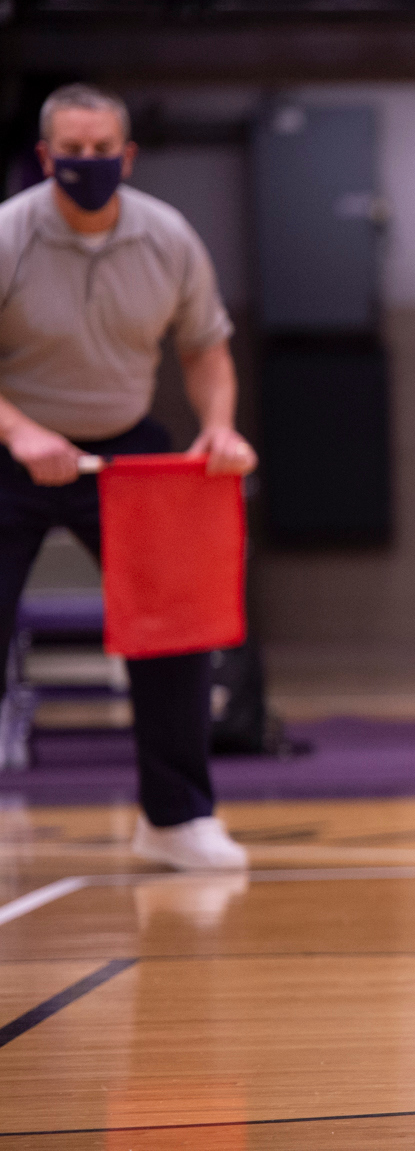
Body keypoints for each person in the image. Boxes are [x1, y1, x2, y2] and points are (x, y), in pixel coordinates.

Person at [0, 83, 255, 871]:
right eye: (72, 151)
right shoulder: (8, 235)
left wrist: (218, 424)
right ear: (46, 157)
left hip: (126, 447)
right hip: (14, 442)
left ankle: (176, 819)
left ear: (128, 155)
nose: (88, 162)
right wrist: (21, 431)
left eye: (102, 149)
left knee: (175, 625)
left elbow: (204, 348)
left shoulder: (167, 237)